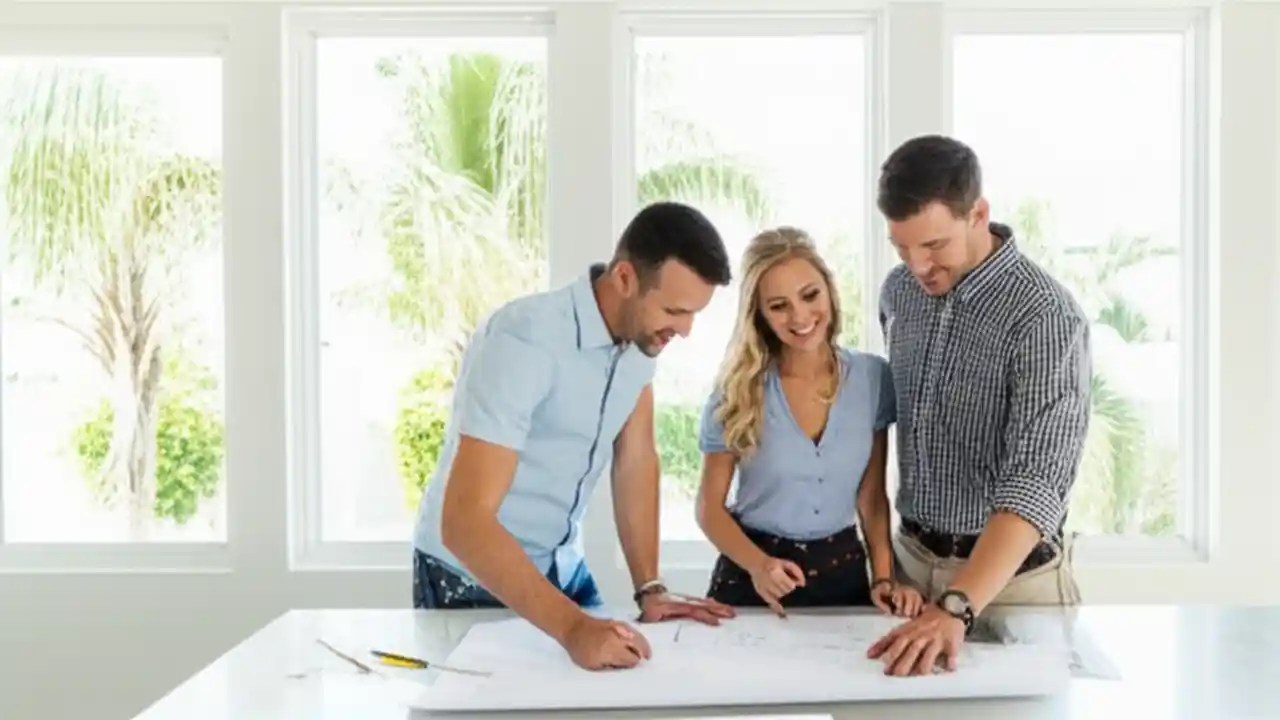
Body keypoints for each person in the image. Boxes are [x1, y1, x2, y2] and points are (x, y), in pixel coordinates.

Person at [412, 201, 737, 671]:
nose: (684, 330)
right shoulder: (525, 339)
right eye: (674, 310)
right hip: (467, 571)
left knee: (623, 680)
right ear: (625, 278)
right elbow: (464, 523)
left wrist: (650, 587)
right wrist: (572, 628)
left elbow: (636, 459)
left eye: (693, 314)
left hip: (558, 563)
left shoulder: (641, 342)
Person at [865, 135, 1091, 676]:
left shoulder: (1046, 316)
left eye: (935, 246)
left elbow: (1037, 479)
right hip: (912, 572)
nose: (918, 266)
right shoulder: (898, 293)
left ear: (979, 214)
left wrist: (958, 605)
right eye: (902, 248)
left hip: (1013, 586)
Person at [694, 227, 925, 619]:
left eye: (810, 295)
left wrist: (883, 578)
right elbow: (708, 509)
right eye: (778, 305)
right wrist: (757, 565)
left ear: (829, 293)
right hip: (752, 580)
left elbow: (871, 498)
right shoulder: (736, 391)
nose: (800, 316)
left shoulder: (873, 379)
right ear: (760, 315)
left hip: (843, 575)